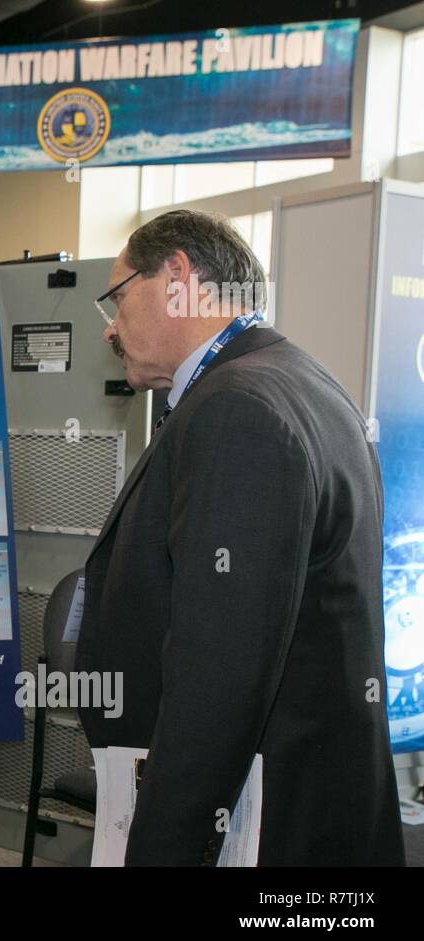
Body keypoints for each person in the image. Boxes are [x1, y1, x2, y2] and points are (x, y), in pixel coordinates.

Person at [78, 209, 404, 866]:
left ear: (177, 277)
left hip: (266, 821)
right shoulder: (301, 381)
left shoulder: (239, 409)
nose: (110, 326)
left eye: (117, 297)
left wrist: (162, 845)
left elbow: (221, 666)